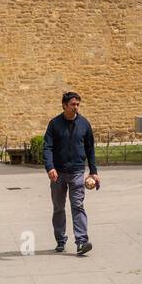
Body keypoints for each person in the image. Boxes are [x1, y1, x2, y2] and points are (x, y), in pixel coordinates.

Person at [43, 91, 100, 256]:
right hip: (58, 173)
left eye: (78, 104)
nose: (76, 107)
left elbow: (90, 149)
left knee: (77, 206)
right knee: (59, 208)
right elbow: (47, 147)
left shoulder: (84, 124)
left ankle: (81, 242)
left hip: (77, 171)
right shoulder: (54, 124)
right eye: (73, 104)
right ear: (64, 105)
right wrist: (50, 167)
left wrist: (93, 172)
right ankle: (60, 239)